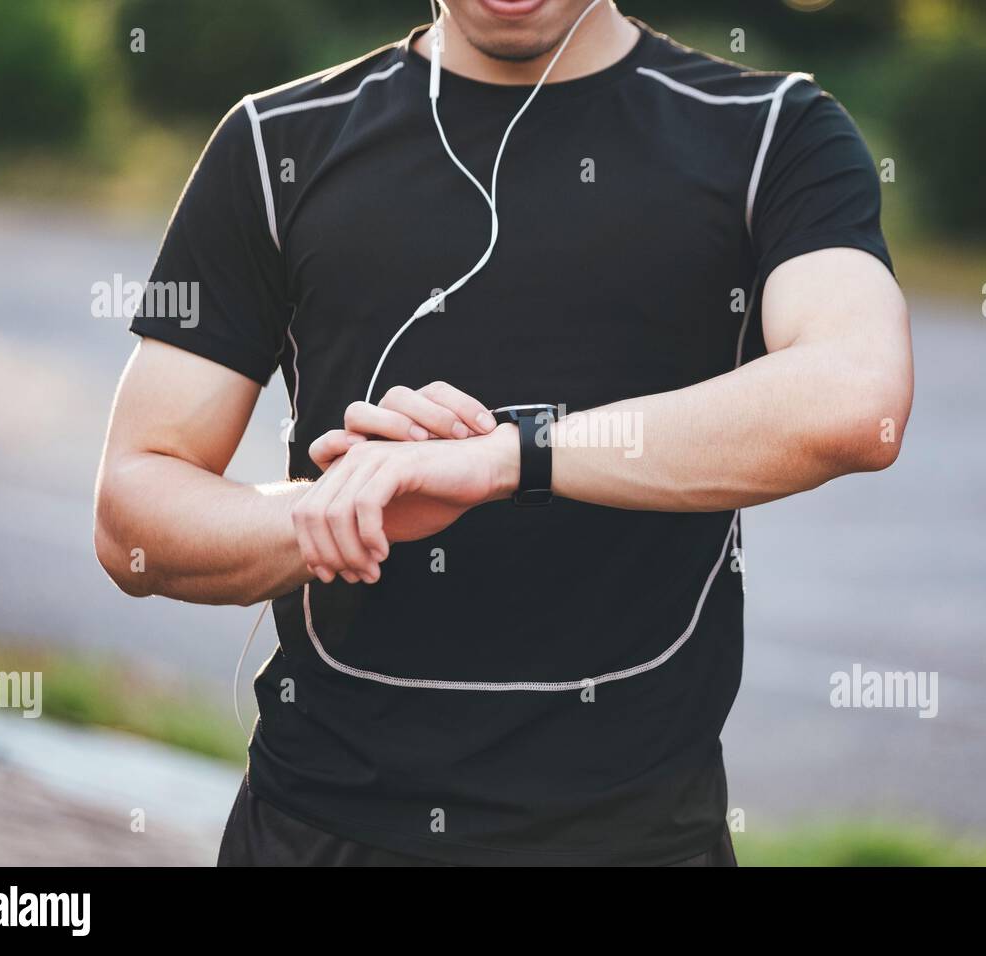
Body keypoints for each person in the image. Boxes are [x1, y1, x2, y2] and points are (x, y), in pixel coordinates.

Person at [94, 0, 912, 866]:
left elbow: (858, 397)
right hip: (321, 829)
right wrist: (336, 513)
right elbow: (132, 515)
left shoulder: (773, 133)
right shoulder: (275, 142)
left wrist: (510, 459)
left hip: (639, 840)